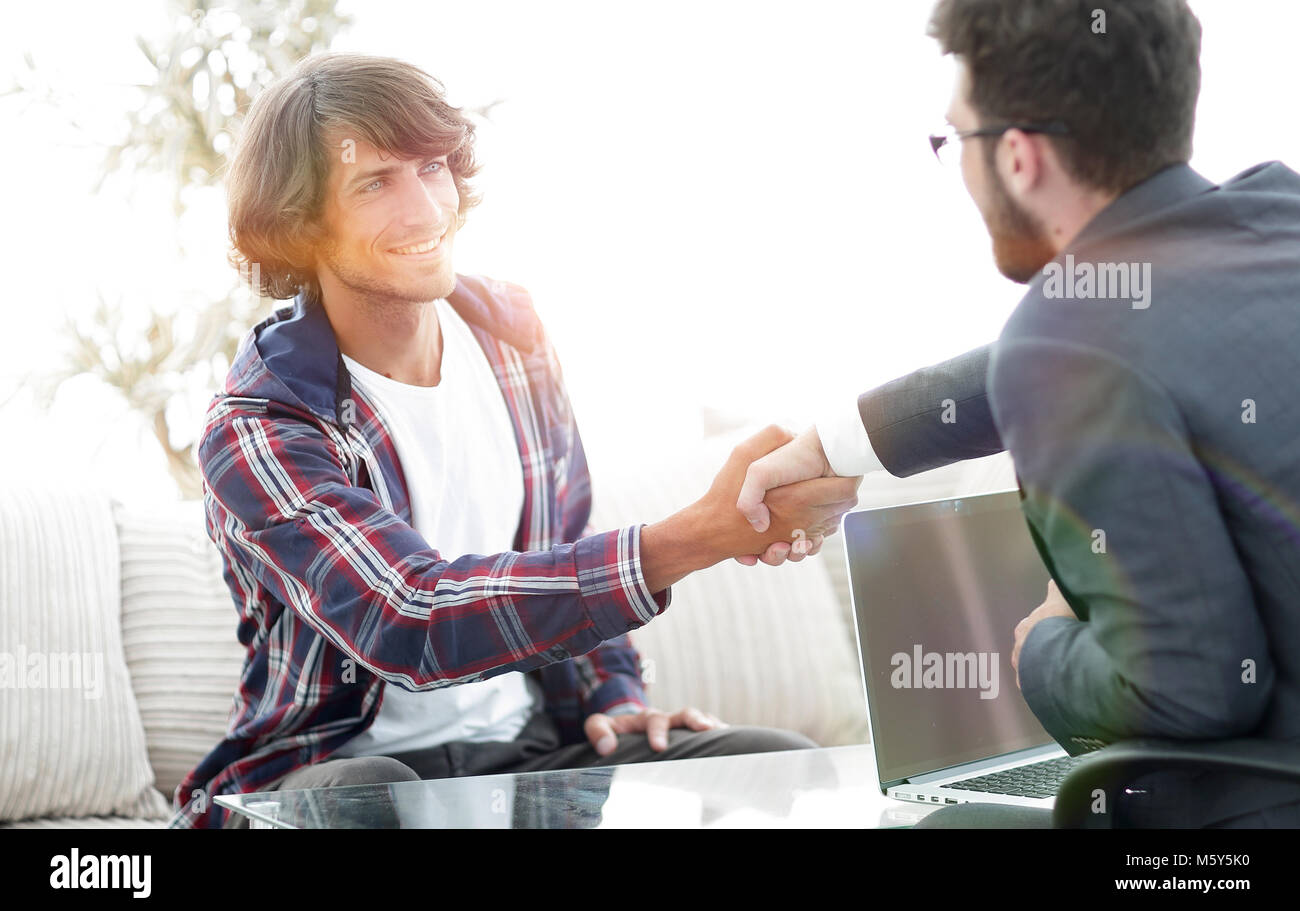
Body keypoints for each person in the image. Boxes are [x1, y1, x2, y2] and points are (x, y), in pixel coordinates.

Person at [168, 52, 860, 829]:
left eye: (432, 168)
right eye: (374, 183)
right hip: (331, 772)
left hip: (527, 753)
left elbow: (559, 539)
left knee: (776, 765)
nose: (425, 209)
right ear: (299, 226)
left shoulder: (511, 334)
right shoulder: (261, 419)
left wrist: (615, 698)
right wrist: (693, 537)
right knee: (362, 804)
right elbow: (408, 618)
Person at [738, 0, 1300, 828]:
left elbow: (1183, 696)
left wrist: (1044, 647)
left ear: (1020, 157)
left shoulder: (1072, 342)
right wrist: (833, 447)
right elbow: (1107, 345)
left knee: (937, 824)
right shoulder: (1274, 217)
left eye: (954, 140)